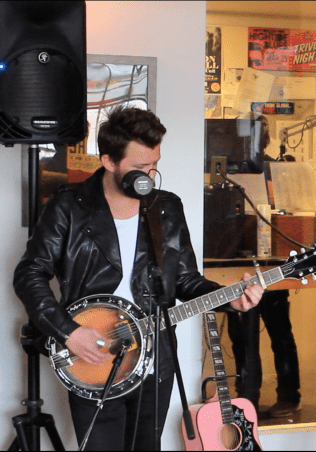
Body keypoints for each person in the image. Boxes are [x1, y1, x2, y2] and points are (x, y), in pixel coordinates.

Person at [13, 107, 264, 450]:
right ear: (109, 161)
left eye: (154, 166)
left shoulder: (167, 208)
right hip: (94, 359)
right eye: (139, 168)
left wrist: (230, 298)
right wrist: (67, 331)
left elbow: (186, 282)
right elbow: (30, 273)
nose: (148, 177)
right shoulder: (69, 206)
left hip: (154, 360)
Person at [225, 114, 302, 418]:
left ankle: (288, 396)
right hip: (234, 259)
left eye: (261, 135)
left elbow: (289, 205)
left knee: (279, 331)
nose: (257, 141)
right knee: (242, 336)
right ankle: (247, 400)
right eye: (252, 135)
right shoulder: (229, 167)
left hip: (272, 261)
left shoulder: (274, 168)